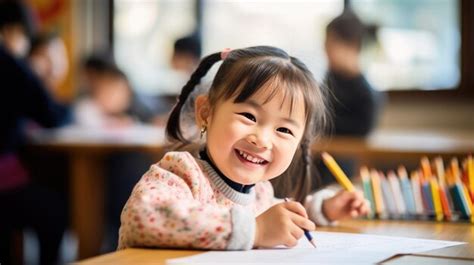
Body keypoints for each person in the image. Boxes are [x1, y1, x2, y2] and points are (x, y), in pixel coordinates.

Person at [118, 46, 369, 250]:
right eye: (249, 116)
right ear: (205, 113)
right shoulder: (181, 173)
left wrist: (323, 209)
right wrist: (256, 230)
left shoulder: (260, 193)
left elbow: (275, 215)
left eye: (284, 130)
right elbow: (143, 216)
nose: (261, 140)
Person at [0, 1, 70, 264]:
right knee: (54, 211)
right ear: (12, 31)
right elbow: (52, 116)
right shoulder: (10, 64)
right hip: (3, 181)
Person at [316, 10, 383, 186]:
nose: (325, 50)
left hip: (347, 165)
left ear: (352, 46)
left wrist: (325, 124)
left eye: (330, 44)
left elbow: (362, 129)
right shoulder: (330, 79)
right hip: (320, 158)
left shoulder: (366, 92)